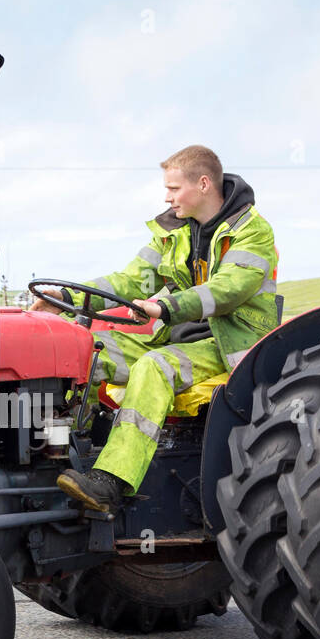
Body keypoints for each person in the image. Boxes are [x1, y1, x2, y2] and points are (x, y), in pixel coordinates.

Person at [34, 145, 278, 513]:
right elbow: (132, 281)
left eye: (174, 189)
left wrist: (166, 306)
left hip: (230, 345)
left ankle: (111, 482)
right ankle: (54, 453)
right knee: (84, 351)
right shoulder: (173, 232)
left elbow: (228, 290)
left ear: (203, 184)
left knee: (154, 367)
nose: (167, 197)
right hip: (178, 338)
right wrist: (66, 296)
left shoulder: (252, 232)